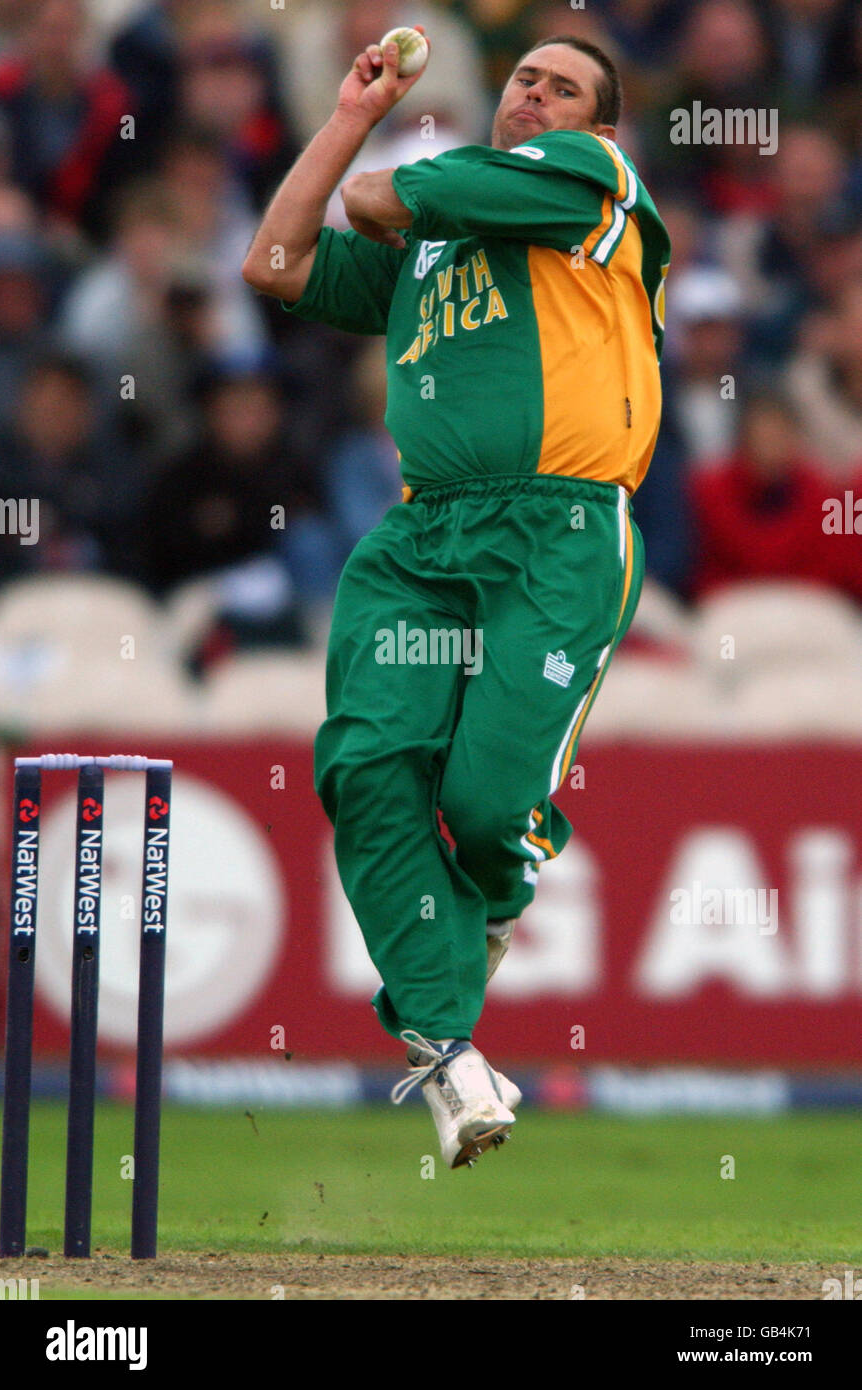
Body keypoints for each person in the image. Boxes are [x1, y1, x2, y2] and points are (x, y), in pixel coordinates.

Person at [243, 30, 670, 1169]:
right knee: (365, 765)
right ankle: (447, 1043)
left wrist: (379, 173)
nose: (532, 94)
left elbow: (382, 200)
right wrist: (348, 113)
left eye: (561, 86)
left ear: (601, 126)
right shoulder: (436, 247)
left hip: (557, 530)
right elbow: (275, 266)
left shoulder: (593, 182)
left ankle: (482, 912)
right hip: (424, 532)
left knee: (484, 808)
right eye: (521, 79)